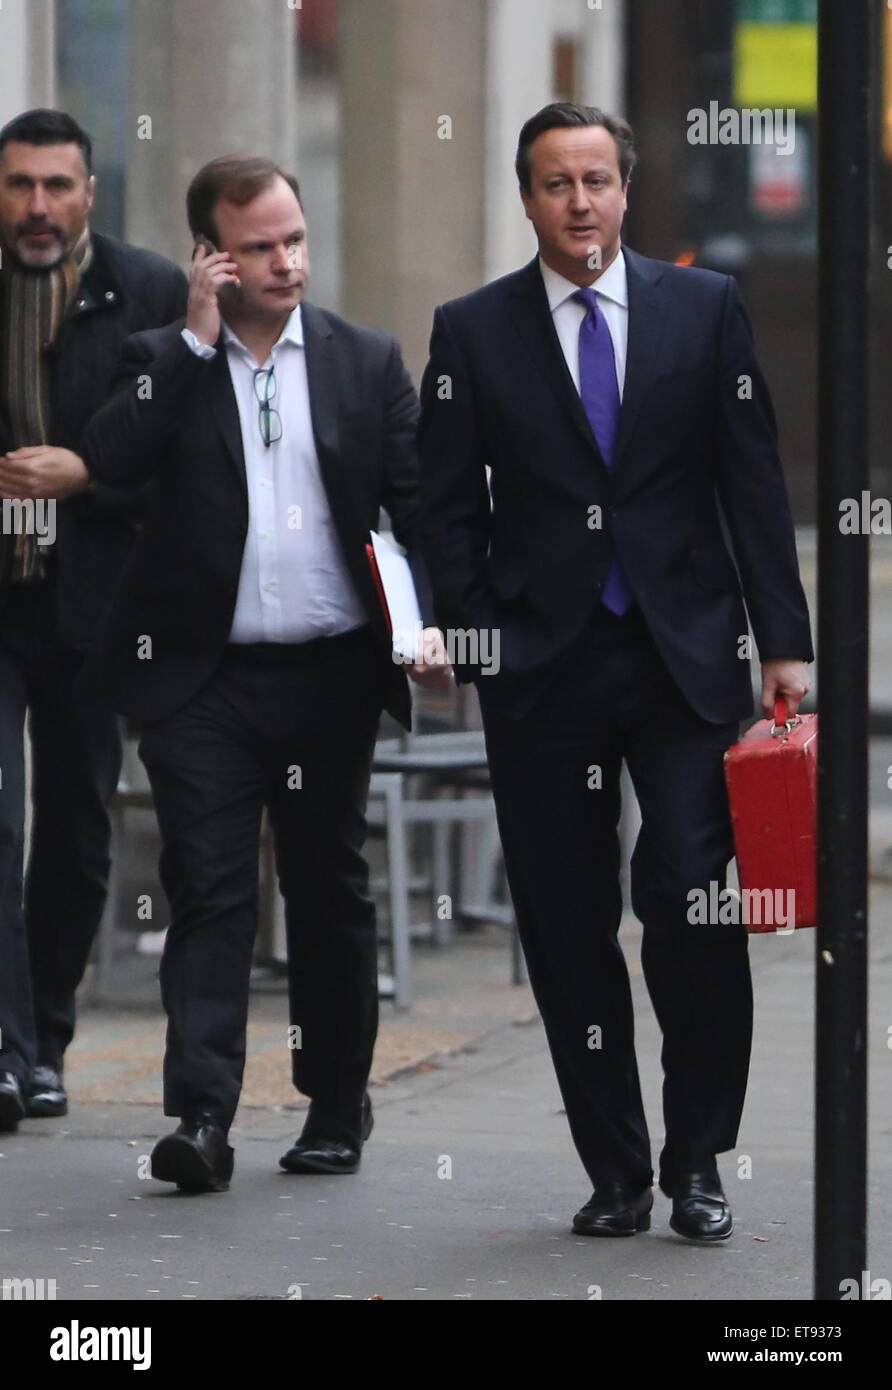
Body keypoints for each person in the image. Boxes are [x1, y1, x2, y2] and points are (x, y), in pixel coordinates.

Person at [418, 102, 812, 1242]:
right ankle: (615, 1170)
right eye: (554, 182)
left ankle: (699, 1163)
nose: (577, 202)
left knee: (691, 899)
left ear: (626, 190)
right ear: (526, 195)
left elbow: (751, 481)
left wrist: (780, 641)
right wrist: (475, 631)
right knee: (564, 919)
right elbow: (446, 507)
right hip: (542, 666)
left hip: (683, 657)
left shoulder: (705, 309)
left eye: (595, 179)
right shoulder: (475, 330)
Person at [81, 155, 448, 1192]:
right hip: (204, 681)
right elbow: (109, 456)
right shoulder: (163, 355)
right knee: (207, 888)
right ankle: (201, 1115)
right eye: (259, 246)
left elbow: (412, 509)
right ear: (212, 257)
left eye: (293, 239)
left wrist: (427, 626)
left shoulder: (362, 360)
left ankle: (335, 1106)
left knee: (329, 889)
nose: (285, 261)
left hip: (329, 675)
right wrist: (196, 345)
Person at [0, 109, 187, 1134]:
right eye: (20, 184)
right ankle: (3, 1047)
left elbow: (172, 458)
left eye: (57, 186)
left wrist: (85, 474)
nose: (38, 206)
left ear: (89, 192)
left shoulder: (147, 290)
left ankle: (48, 1038)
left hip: (91, 602)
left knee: (75, 832)